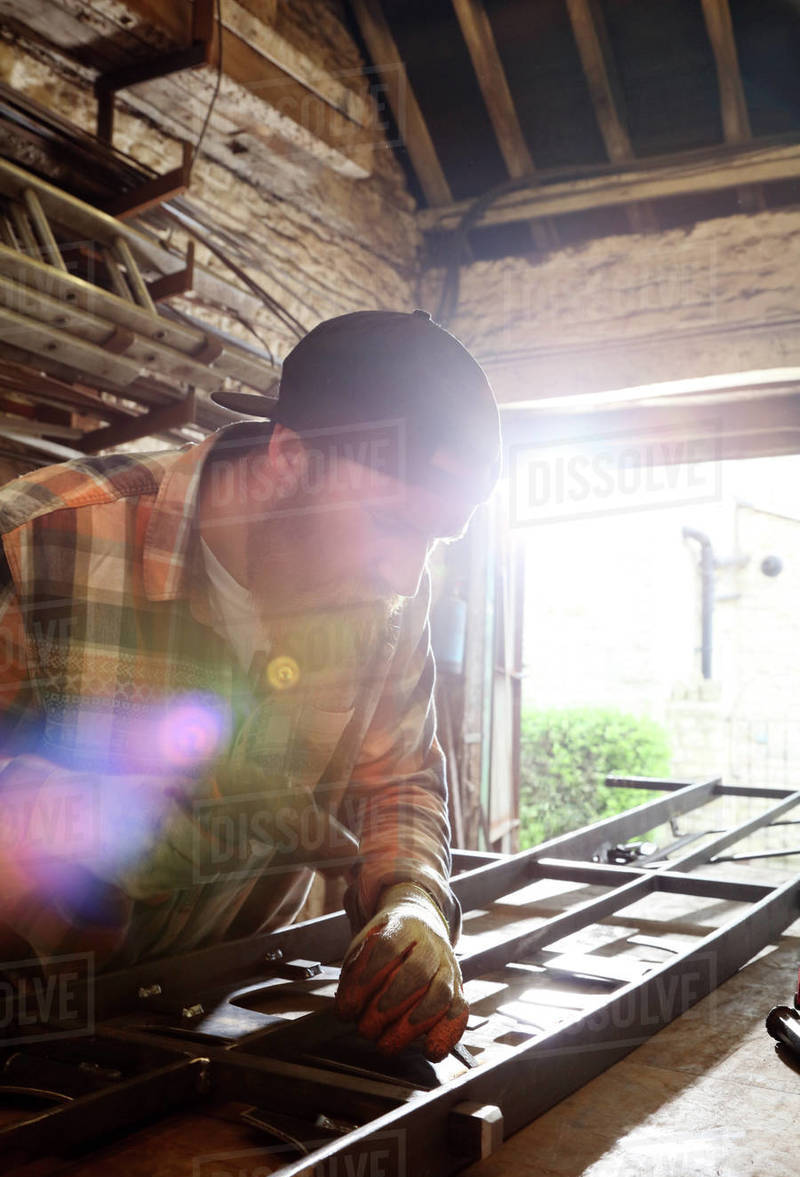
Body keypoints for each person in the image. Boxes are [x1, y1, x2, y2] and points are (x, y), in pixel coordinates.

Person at [0, 308, 501, 1061]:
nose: (404, 573)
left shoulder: (394, 595)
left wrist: (415, 903)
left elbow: (398, 779)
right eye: (392, 525)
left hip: (237, 1014)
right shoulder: (41, 542)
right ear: (288, 459)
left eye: (433, 540)